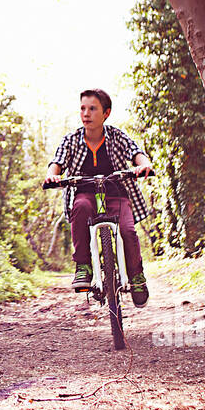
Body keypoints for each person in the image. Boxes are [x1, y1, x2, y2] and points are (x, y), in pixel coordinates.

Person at [44, 88, 152, 300]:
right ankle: (83, 265)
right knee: (81, 208)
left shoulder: (116, 136)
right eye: (83, 108)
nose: (86, 113)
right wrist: (52, 176)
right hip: (85, 193)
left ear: (106, 113)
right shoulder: (72, 139)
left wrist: (144, 165)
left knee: (127, 230)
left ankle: (136, 276)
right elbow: (57, 163)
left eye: (93, 109)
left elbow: (136, 152)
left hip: (116, 194)